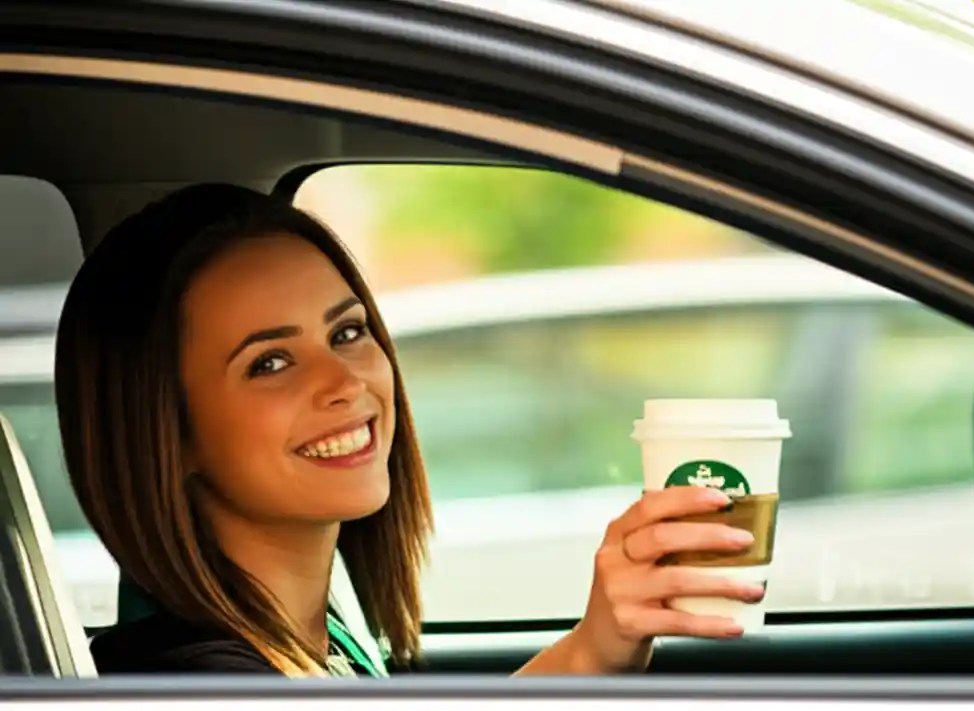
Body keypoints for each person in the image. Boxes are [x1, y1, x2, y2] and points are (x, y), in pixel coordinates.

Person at [56, 184, 763, 676]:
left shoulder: (310, 641)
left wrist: (598, 640)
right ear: (166, 432)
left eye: (349, 331)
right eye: (271, 362)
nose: (343, 383)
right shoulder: (208, 687)